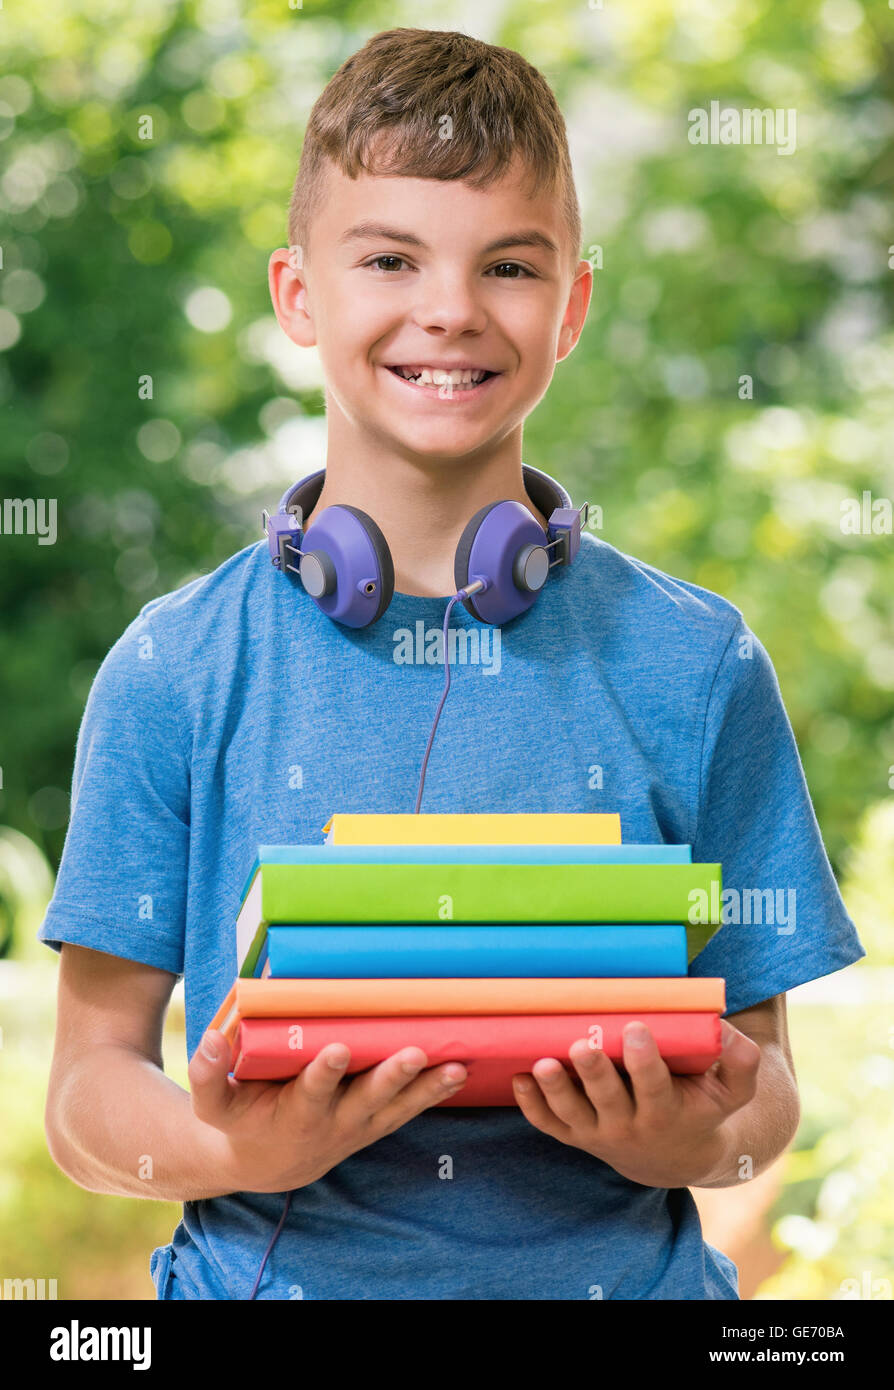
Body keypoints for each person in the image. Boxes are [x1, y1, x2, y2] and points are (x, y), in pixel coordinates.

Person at [40, 27, 864, 1300]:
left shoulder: (699, 665)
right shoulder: (173, 670)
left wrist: (698, 1138)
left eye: (511, 266)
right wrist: (226, 1143)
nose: (451, 311)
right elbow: (87, 1094)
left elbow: (767, 1090)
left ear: (572, 304)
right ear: (298, 293)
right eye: (388, 258)